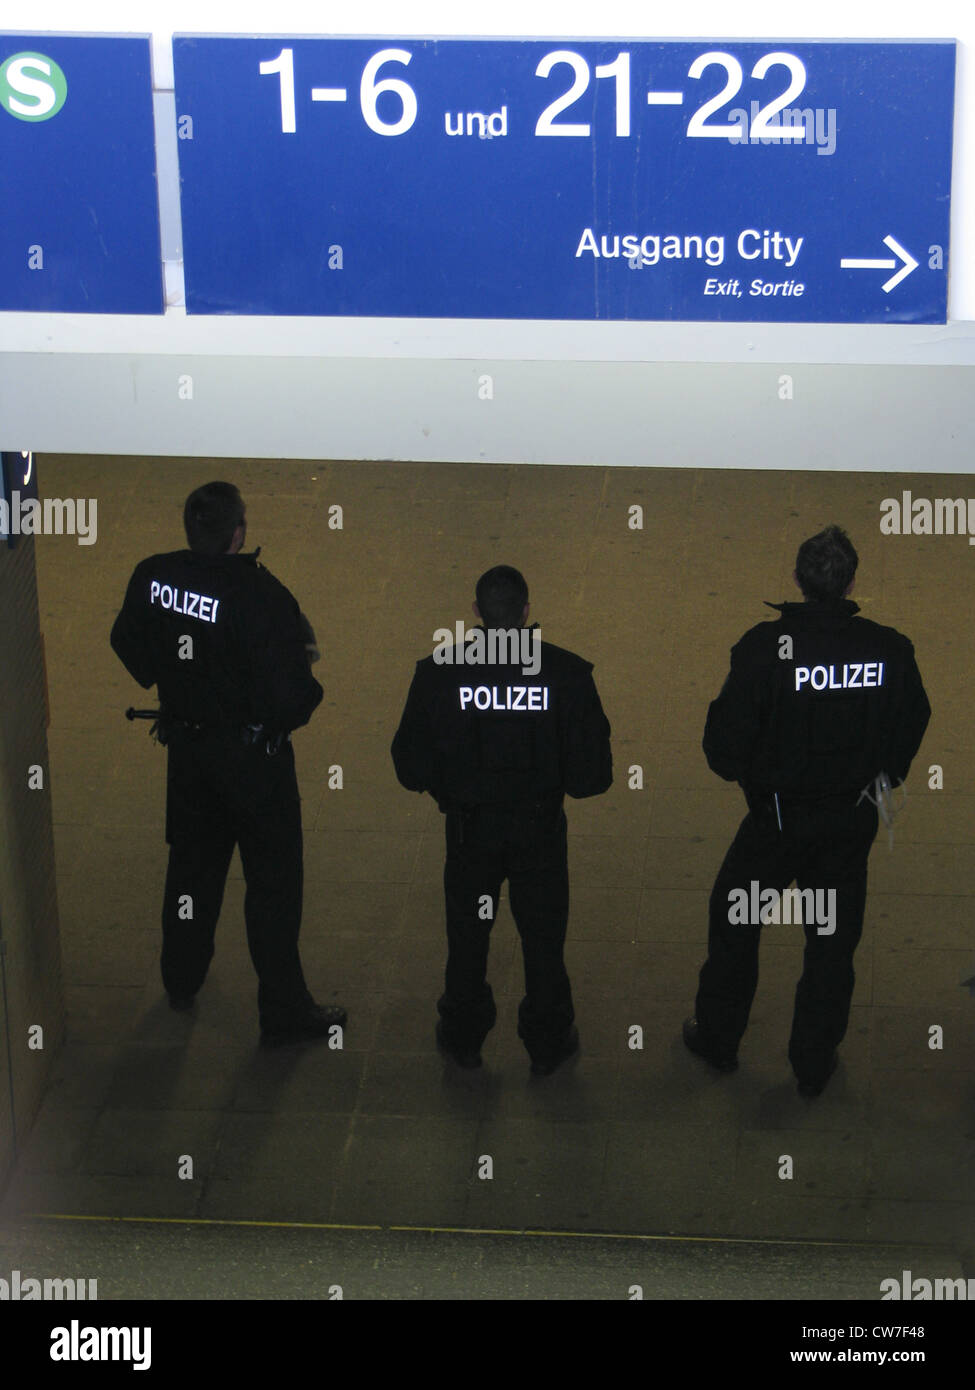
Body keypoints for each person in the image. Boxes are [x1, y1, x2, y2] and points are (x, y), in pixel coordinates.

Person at [685, 525, 930, 1096]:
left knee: (736, 921)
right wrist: (881, 779)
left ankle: (719, 1038)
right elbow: (911, 722)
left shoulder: (762, 650)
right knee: (832, 944)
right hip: (847, 826)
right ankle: (813, 1061)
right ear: (852, 582)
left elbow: (723, 749)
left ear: (796, 580)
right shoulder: (888, 650)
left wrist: (752, 775)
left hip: (774, 825)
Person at [110, 481, 346, 1046]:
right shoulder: (262, 597)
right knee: (272, 885)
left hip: (189, 755)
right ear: (239, 533)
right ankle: (283, 1011)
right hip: (253, 765)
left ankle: (182, 977)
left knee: (192, 869)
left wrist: (175, 683)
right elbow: (293, 697)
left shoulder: (153, 576)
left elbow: (127, 642)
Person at [391, 565, 612, 1075]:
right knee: (543, 939)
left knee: (468, 936)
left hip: (470, 834)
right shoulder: (567, 674)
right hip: (538, 833)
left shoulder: (438, 673)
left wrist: (451, 788)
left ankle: (464, 1033)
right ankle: (548, 1037)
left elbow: (409, 764)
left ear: (476, 615)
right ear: (527, 611)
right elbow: (592, 777)